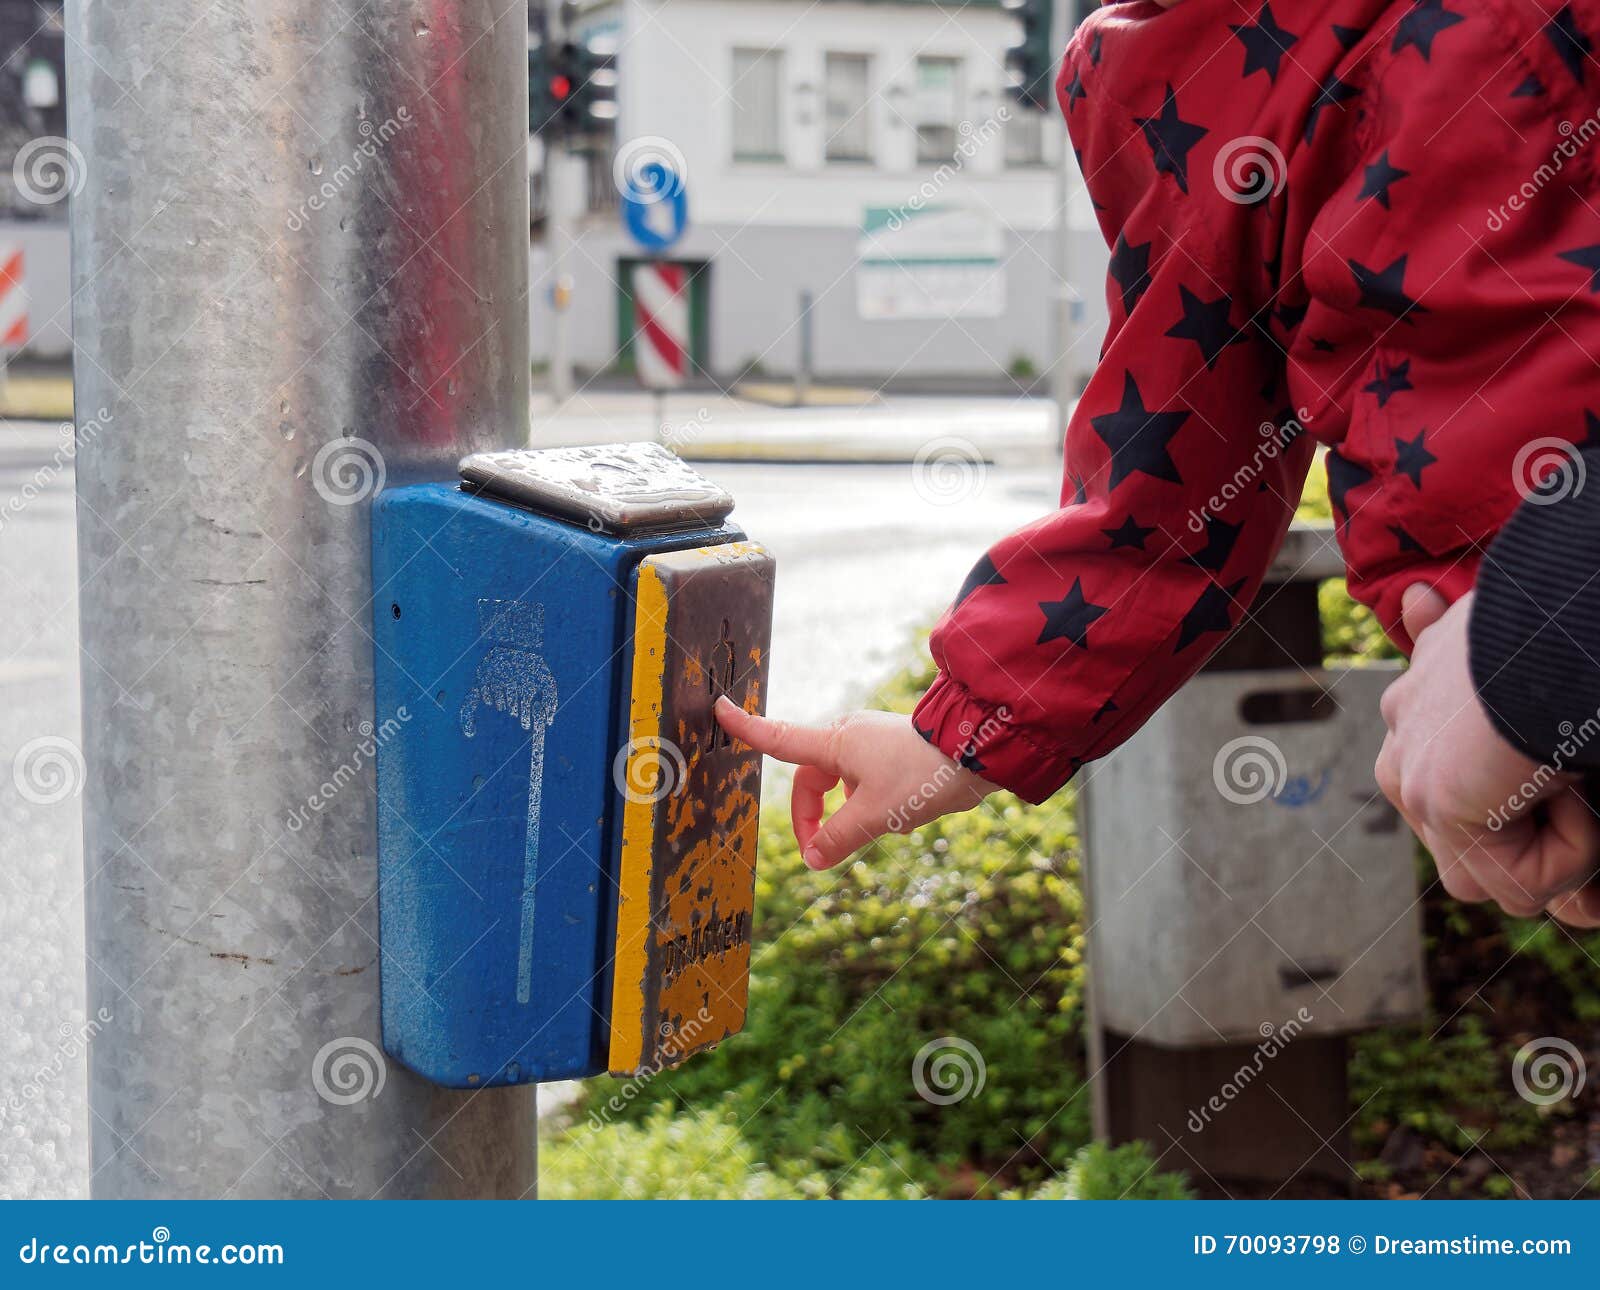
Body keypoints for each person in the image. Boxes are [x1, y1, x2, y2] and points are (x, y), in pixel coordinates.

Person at [716, 0, 1600, 903]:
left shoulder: (1203, 56)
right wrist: (953, 738)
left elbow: (1173, 458)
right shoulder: (1204, 53)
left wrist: (1532, 641)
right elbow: (1182, 467)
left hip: (1512, 681)